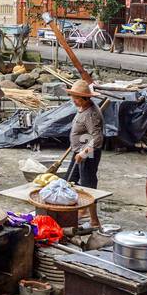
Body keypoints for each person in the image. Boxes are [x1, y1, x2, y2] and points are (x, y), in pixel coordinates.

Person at [65, 80, 104, 228]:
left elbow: (97, 138)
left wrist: (83, 152)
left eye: (76, 98)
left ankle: (94, 220)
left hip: (88, 154)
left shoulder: (91, 114)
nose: (73, 100)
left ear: (85, 98)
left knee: (88, 187)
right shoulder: (83, 107)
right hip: (78, 150)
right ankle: (80, 211)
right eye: (73, 97)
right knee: (70, 182)